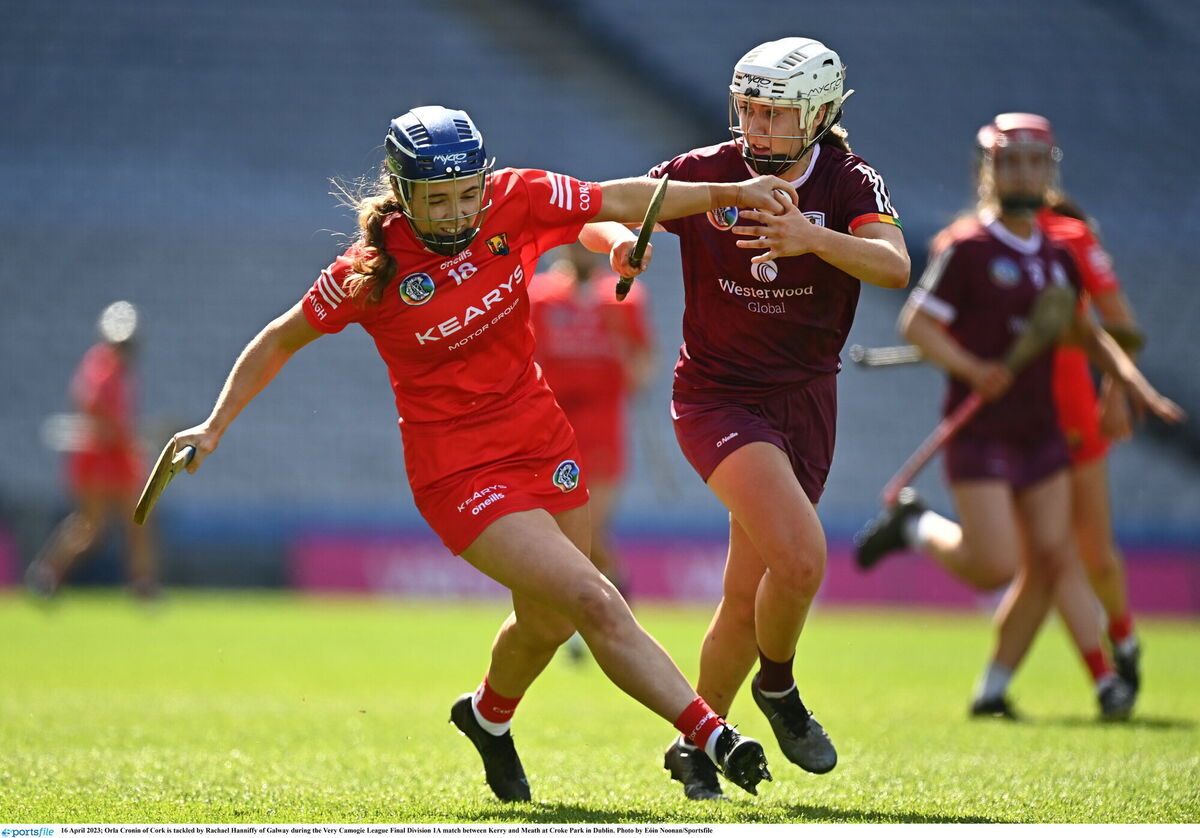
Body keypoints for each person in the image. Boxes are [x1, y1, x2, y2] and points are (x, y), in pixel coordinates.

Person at [168, 105, 800, 801]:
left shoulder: (513, 199)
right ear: (403, 195)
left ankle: (487, 717)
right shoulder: (371, 271)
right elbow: (281, 338)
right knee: (594, 596)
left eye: (467, 193)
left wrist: (718, 200)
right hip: (457, 470)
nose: (458, 213)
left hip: (540, 437)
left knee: (549, 619)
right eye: (437, 201)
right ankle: (712, 736)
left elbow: (611, 199)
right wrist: (215, 423)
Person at [621, 37, 911, 800]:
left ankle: (696, 743)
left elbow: (894, 266)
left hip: (809, 401)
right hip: (716, 398)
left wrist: (812, 238)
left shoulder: (849, 179)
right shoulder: (707, 170)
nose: (756, 127)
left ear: (819, 115)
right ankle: (777, 691)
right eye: (748, 108)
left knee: (744, 604)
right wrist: (623, 243)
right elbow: (610, 209)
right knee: (803, 560)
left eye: (775, 114)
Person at [854, 113, 1182, 721]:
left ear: (1049, 170)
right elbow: (917, 325)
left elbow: (1086, 332)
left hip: (1042, 430)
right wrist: (974, 369)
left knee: (1054, 558)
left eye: (1034, 163)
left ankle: (1072, 684)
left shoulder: (1059, 253)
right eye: (1009, 164)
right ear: (988, 173)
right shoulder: (969, 248)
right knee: (995, 567)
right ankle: (918, 526)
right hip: (981, 429)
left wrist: (1134, 383)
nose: (1022, 173)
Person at [529, 242, 655, 601]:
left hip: (603, 429)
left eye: (585, 248)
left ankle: (615, 599)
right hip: (552, 431)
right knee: (562, 531)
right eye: (572, 247)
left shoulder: (623, 298)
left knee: (589, 529)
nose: (579, 254)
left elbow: (643, 367)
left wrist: (625, 361)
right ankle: (588, 607)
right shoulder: (539, 297)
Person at [25, 301, 157, 599]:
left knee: (138, 520)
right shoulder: (101, 368)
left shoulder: (124, 373)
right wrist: (120, 434)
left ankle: (142, 583)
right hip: (99, 458)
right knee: (91, 527)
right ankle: (47, 572)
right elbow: (93, 410)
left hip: (119, 456)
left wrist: (125, 436)